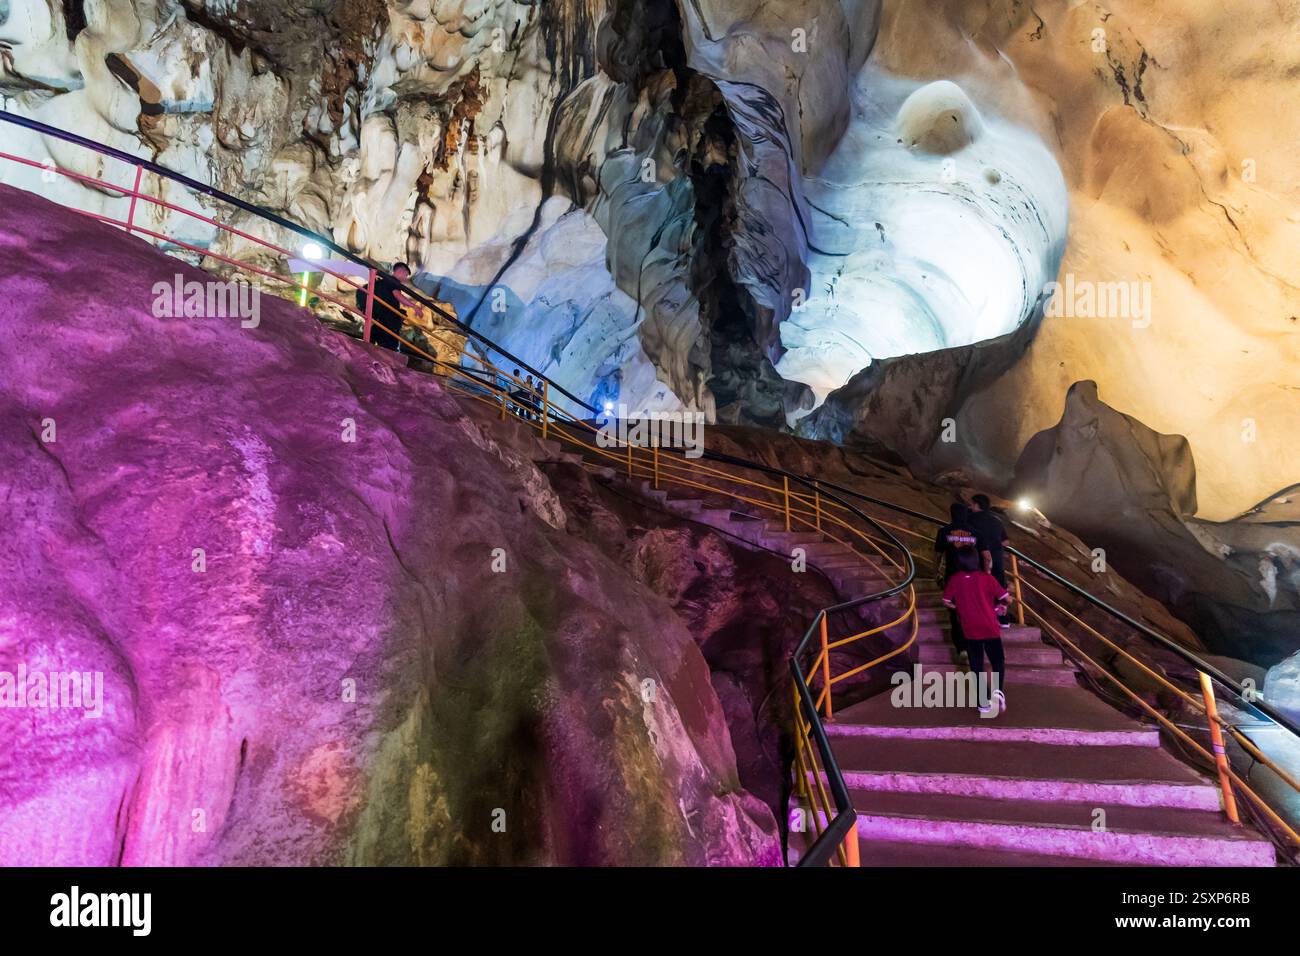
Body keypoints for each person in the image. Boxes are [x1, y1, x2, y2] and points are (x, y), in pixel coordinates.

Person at [942, 547, 1010, 716]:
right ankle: (997, 691)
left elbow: (946, 601)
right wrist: (1001, 607)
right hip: (990, 627)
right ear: (976, 560)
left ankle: (983, 703)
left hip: (970, 629)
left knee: (976, 665)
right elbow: (1006, 599)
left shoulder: (955, 580)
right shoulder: (987, 578)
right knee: (998, 661)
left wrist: (959, 607)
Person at [932, 502, 984, 663]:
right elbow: (985, 555)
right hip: (973, 579)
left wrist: (935, 573)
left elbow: (937, 555)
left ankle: (961, 648)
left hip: (953, 577)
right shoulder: (975, 532)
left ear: (952, 514)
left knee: (955, 613)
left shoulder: (944, 531)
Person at [968, 493, 1011, 628]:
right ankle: (1003, 620)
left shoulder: (969, 519)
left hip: (979, 561)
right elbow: (1006, 542)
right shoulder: (997, 520)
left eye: (971, 504)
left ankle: (983, 620)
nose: (970, 506)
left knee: (980, 591)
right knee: (998, 589)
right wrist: (995, 547)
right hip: (997, 561)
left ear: (976, 505)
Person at [368, 262, 417, 352]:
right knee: (390, 348)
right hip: (389, 321)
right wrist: (415, 307)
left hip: (378, 319)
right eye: (406, 275)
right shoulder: (393, 282)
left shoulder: (383, 281)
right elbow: (398, 295)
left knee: (372, 343)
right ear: (400, 271)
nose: (405, 278)